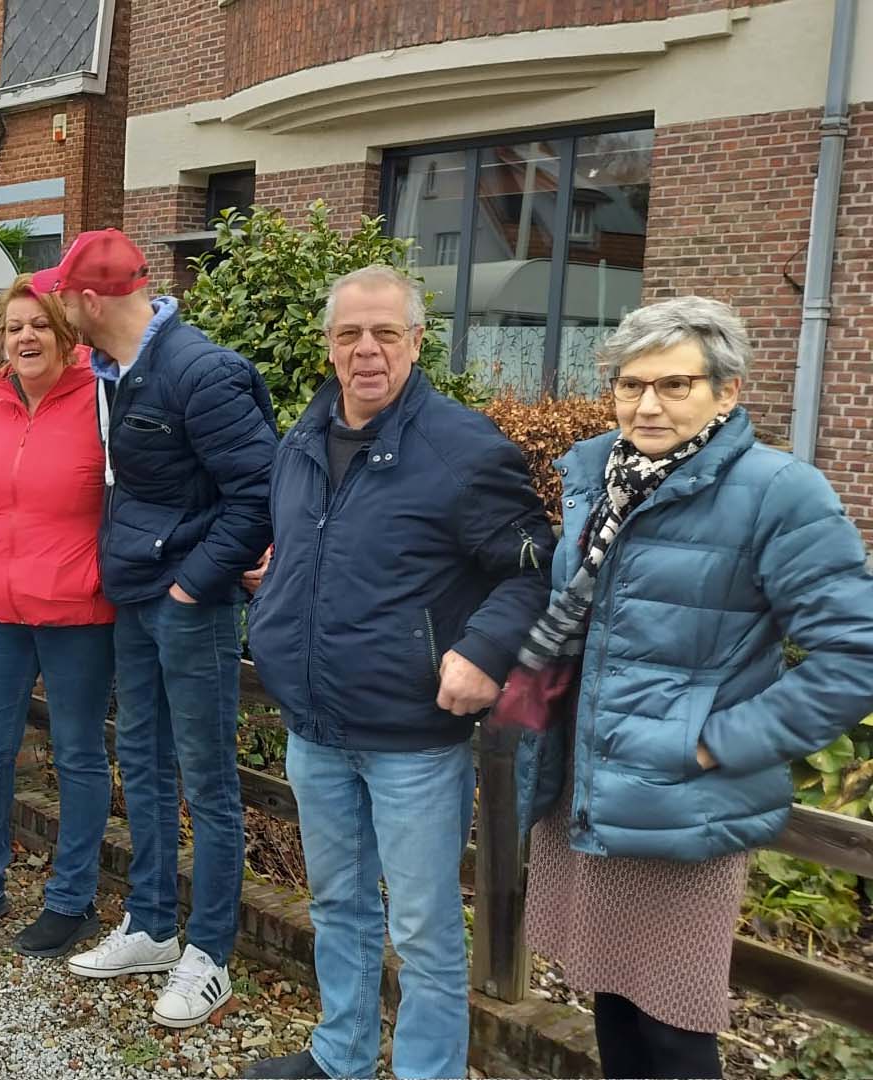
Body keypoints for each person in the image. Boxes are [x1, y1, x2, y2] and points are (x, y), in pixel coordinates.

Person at [513, 297, 873, 1080]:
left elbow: (855, 656)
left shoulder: (779, 492)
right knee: (612, 998)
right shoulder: (600, 476)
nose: (647, 405)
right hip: (593, 783)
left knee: (674, 1024)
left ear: (727, 391)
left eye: (675, 384)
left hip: (685, 798)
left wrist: (715, 743)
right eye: (630, 384)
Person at [240, 265, 553, 1080]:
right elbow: (317, 544)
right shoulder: (303, 438)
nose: (367, 350)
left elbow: (531, 569)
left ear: (416, 341)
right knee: (338, 905)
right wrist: (282, 585)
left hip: (412, 738)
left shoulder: (463, 448)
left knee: (422, 931)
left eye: (385, 333)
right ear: (328, 346)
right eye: (350, 334)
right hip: (316, 724)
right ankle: (340, 1054)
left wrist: (484, 651)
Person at [37, 230, 277, 1029]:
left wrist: (190, 586)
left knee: (207, 780)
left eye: (62, 295)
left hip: (186, 605)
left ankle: (209, 952)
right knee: (141, 759)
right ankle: (150, 924)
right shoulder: (114, 371)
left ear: (89, 300)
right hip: (137, 594)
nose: (56, 308)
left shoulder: (199, 372)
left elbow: (259, 493)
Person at [0, 274, 116, 956]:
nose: (26, 337)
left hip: (77, 609)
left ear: (66, 330)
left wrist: (99, 574)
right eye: (14, 327)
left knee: (77, 755)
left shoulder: (101, 398)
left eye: (40, 324)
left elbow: (124, 501)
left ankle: (72, 900)